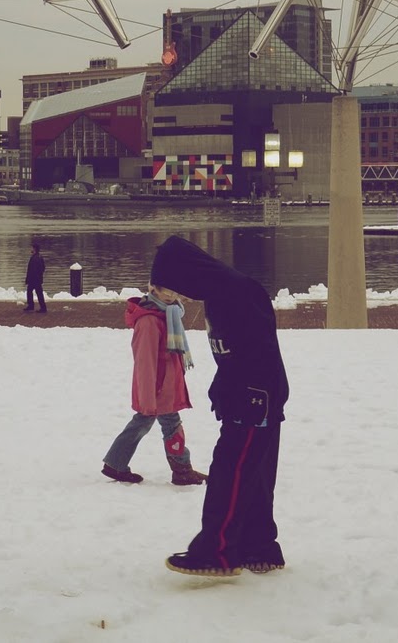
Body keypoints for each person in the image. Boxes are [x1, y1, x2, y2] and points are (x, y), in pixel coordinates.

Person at [148, 235, 288, 578]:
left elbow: (260, 350)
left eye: (173, 285)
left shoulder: (241, 291)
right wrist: (221, 384)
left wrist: (243, 390)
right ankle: (259, 547)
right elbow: (230, 352)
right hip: (244, 396)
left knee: (231, 473)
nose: (176, 294)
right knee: (251, 475)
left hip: (257, 399)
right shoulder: (216, 294)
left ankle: (217, 552)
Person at [99, 285, 208, 487]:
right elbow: (145, 362)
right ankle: (182, 471)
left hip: (165, 385)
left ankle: (116, 463)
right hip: (158, 388)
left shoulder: (168, 313)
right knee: (168, 424)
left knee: (145, 423)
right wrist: (148, 397)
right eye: (166, 290)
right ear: (153, 289)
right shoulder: (149, 321)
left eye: (174, 290)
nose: (171, 295)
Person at [23, 241, 46, 313]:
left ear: (35, 249)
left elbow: (33, 270)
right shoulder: (38, 257)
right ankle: (35, 306)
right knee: (33, 292)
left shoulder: (35, 258)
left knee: (36, 293)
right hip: (36, 279)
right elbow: (42, 268)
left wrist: (30, 278)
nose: (31, 249)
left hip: (34, 279)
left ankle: (40, 307)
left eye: (32, 248)